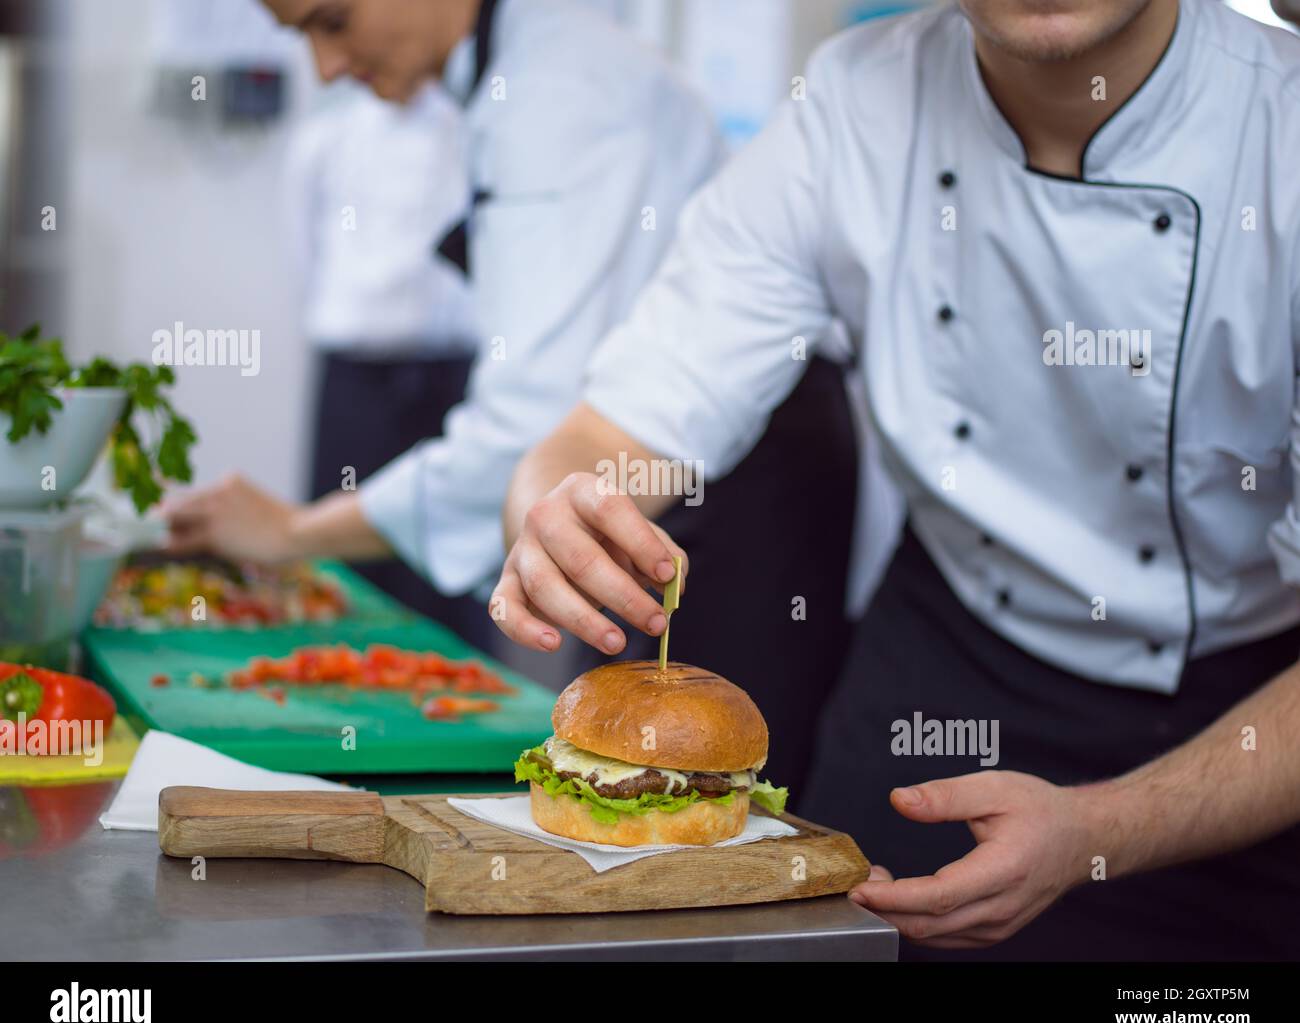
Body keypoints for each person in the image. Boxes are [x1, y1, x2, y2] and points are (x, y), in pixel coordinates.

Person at [491, 0, 1300, 961]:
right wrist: (556, 508)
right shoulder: (850, 103)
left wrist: (1103, 831)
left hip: (1245, 710)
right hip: (950, 651)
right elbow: (625, 418)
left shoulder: (1279, 129)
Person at [166, 0, 879, 791]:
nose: (327, 68)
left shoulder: (560, 91)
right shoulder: (516, 73)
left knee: (706, 804)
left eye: (329, 22)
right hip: (663, 475)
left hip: (736, 486)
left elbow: (525, 434)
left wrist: (295, 532)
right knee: (642, 785)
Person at [285, 81, 487, 644]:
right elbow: (304, 254)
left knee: (451, 561)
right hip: (357, 374)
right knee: (343, 564)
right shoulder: (327, 136)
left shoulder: (475, 131)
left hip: (452, 373)